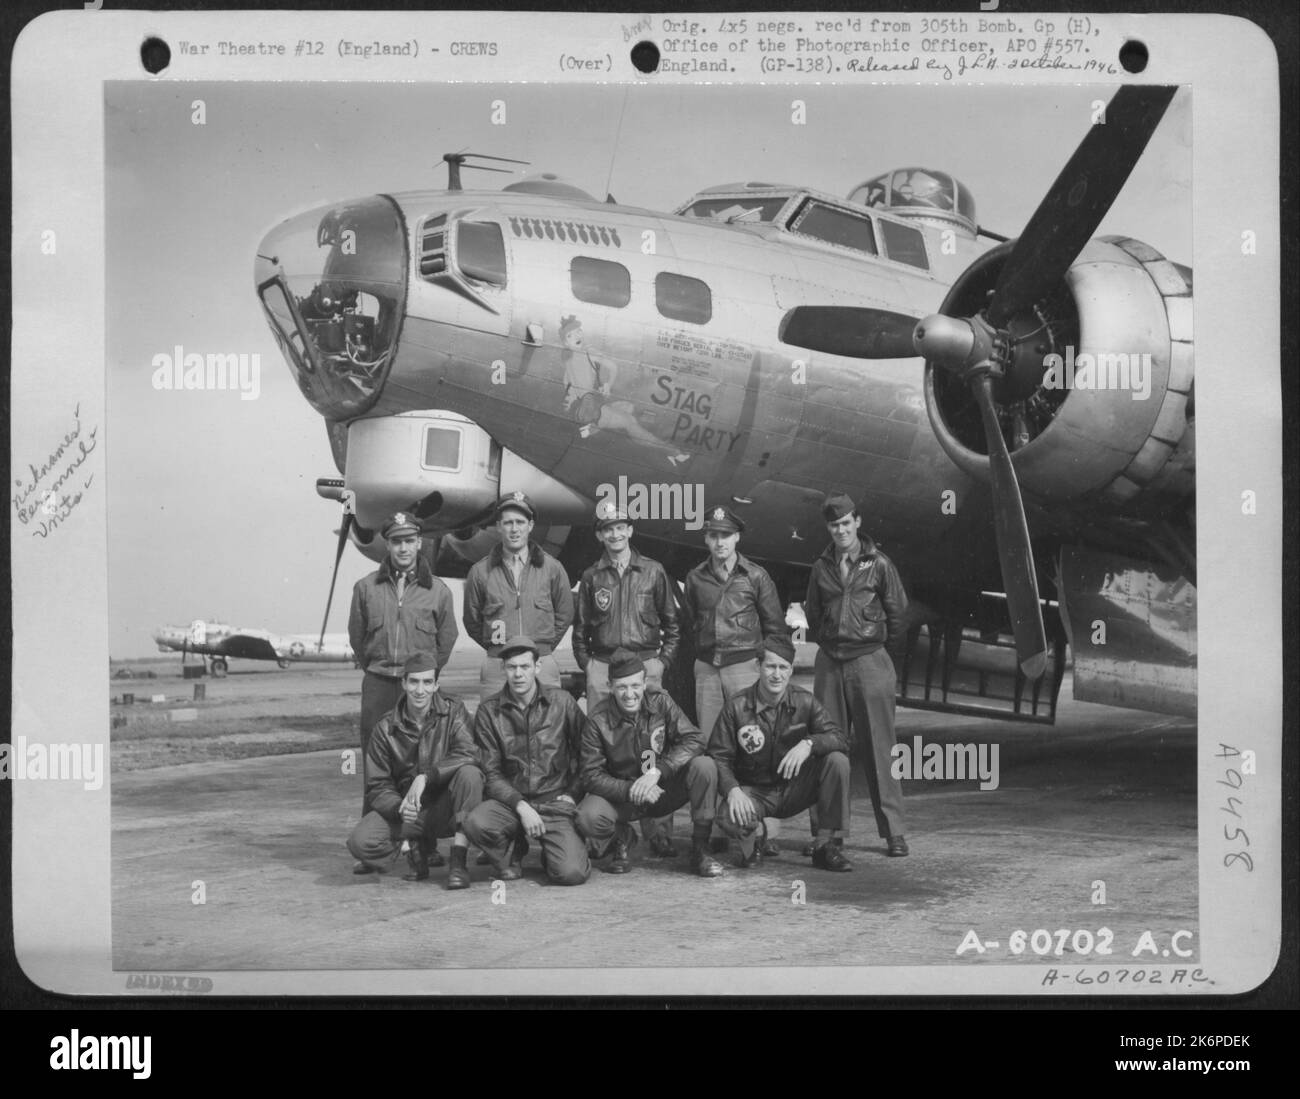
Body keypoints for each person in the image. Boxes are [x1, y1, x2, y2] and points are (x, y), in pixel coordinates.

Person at [804, 492, 910, 857]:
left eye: (846, 523)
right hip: (831, 663)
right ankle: (828, 833)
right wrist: (833, 646)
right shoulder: (821, 567)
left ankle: (893, 832)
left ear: (857, 522)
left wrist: (880, 657)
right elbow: (813, 615)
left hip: (870, 661)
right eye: (834, 525)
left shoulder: (879, 564)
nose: (840, 531)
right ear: (828, 528)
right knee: (828, 749)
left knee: (881, 747)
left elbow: (898, 615)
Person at [573, 500, 682, 855]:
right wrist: (588, 665)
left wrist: (662, 662)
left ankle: (658, 829)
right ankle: (604, 832)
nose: (615, 533)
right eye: (608, 528)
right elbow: (580, 629)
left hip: (645, 662)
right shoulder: (591, 576)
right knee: (602, 745)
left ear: (631, 531)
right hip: (603, 666)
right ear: (599, 535)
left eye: (621, 527)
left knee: (653, 741)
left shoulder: (653, 571)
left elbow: (672, 625)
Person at [682, 503, 788, 854]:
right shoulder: (696, 578)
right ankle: (713, 824)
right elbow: (690, 626)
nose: (719, 542)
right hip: (708, 670)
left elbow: (774, 629)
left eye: (725, 535)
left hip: (745, 668)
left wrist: (770, 676)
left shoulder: (755, 576)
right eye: (713, 535)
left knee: (753, 744)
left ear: (737, 537)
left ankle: (759, 825)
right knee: (713, 748)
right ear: (706, 539)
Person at [575, 650, 725, 877]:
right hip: (624, 797)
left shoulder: (660, 702)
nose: (629, 694)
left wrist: (658, 771)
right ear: (610, 686)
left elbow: (694, 739)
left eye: (635, 685)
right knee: (588, 815)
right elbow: (590, 775)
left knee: (705, 766)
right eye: (622, 687)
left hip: (661, 789)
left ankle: (700, 847)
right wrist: (631, 789)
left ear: (645, 683)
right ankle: (621, 839)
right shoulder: (597, 720)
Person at [709, 636, 853, 871]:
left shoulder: (805, 701)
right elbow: (718, 756)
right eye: (771, 666)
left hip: (795, 788)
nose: (777, 674)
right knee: (727, 816)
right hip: (756, 792)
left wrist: (808, 744)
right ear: (758, 667)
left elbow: (839, 737)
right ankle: (754, 840)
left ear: (791, 670)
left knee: (837, 761)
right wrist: (732, 790)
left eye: (783, 667)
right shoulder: (736, 706)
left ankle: (825, 846)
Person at [348, 511, 459, 815]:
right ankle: (376, 833)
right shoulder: (365, 588)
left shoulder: (438, 591)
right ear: (387, 545)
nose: (403, 549)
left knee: (424, 756)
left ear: (419, 543)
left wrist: (425, 677)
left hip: (419, 687)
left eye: (409, 541)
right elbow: (358, 637)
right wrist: (379, 666)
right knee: (376, 755)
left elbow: (446, 639)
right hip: (379, 683)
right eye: (397, 542)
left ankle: (425, 835)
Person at [345, 653, 483, 889]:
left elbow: (470, 752)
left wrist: (426, 777)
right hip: (409, 812)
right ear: (404, 683)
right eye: (414, 682)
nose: (420, 690)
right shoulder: (385, 728)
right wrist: (399, 809)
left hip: (446, 808)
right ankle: (412, 847)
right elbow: (377, 785)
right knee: (360, 842)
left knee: (470, 774)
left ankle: (458, 861)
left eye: (427, 682)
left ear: (436, 685)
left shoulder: (454, 711)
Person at [463, 637, 590, 886]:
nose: (518, 674)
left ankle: (555, 850)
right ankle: (513, 845)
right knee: (476, 822)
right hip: (511, 804)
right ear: (503, 670)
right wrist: (521, 806)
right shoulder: (489, 712)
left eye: (525, 667)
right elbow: (490, 771)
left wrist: (574, 793)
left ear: (537, 667)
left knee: (571, 873)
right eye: (512, 667)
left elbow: (588, 754)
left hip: (554, 801)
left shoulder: (563, 702)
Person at [463, 491, 574, 694]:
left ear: (530, 526)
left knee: (548, 723)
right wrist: (500, 650)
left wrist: (540, 648)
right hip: (498, 666)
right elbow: (472, 621)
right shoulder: (479, 572)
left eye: (520, 522)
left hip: (542, 663)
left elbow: (565, 614)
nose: (514, 529)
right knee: (494, 723)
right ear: (498, 526)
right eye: (508, 523)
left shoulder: (553, 569)